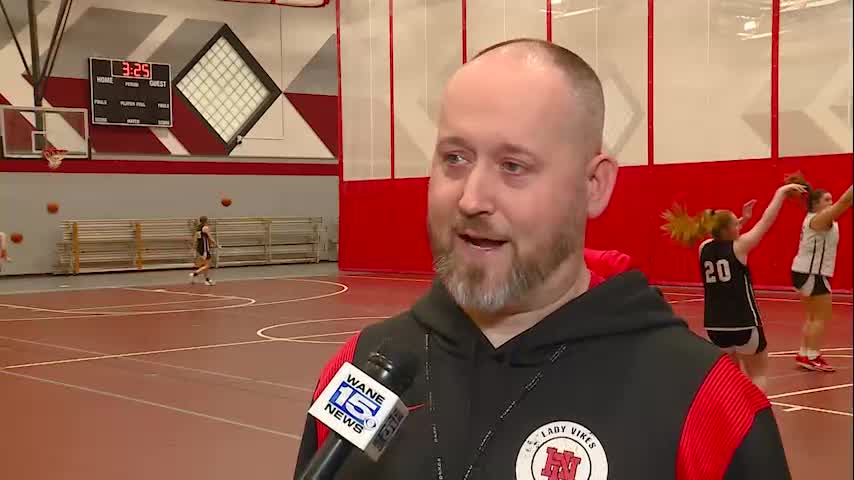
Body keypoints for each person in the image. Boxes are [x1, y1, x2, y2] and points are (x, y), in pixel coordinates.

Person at [295, 39, 790, 480]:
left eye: (513, 166)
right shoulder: (360, 369)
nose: (471, 198)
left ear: (594, 186)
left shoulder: (703, 402)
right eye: (455, 158)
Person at [661, 184, 806, 392]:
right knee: (758, 375)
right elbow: (766, 221)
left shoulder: (704, 249)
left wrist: (741, 220)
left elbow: (722, 233)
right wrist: (781, 193)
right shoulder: (740, 247)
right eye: (736, 225)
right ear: (729, 229)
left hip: (715, 327)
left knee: (732, 380)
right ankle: (757, 420)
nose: (740, 228)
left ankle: (733, 419)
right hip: (744, 323)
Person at [786, 174, 853, 372]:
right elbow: (845, 201)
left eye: (831, 200)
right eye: (827, 200)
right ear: (815, 204)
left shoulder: (819, 218)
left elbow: (845, 203)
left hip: (805, 271)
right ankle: (813, 355)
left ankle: (804, 354)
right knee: (821, 316)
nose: (831, 203)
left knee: (813, 316)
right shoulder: (818, 219)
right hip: (811, 273)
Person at [189, 216, 217, 286]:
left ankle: (207, 280)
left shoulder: (198, 228)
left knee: (205, 265)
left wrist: (194, 247)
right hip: (205, 249)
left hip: (200, 248)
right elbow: (210, 237)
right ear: (205, 221)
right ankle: (194, 274)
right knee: (208, 265)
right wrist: (216, 244)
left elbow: (195, 239)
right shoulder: (205, 228)